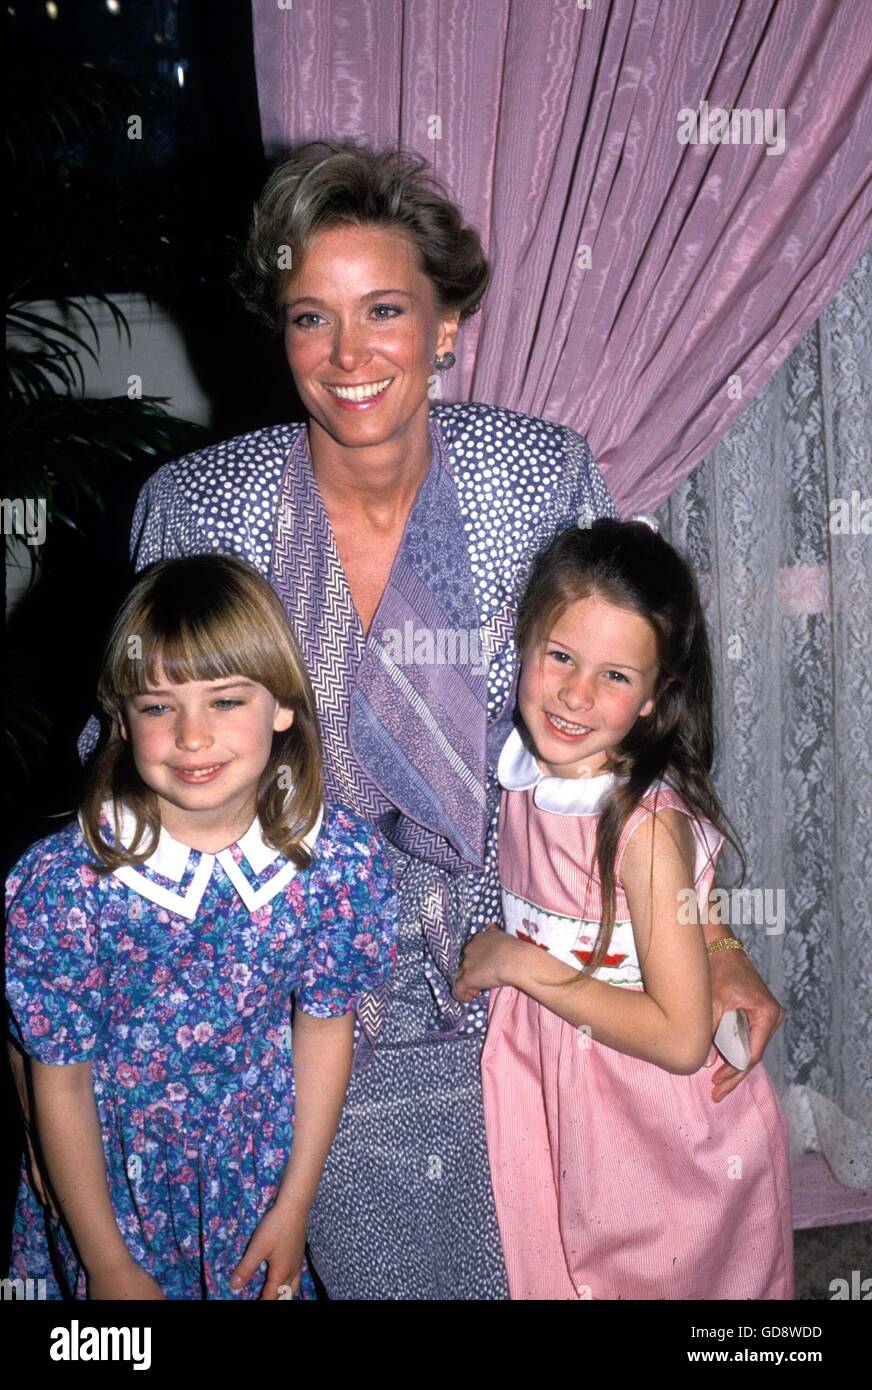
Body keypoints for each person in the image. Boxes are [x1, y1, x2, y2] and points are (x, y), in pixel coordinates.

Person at [73, 140, 785, 1299]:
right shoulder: (201, 506)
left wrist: (711, 941)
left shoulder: (534, 472)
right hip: (305, 996)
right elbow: (137, 768)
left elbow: (622, 732)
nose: (349, 356)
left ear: (446, 323)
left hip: (517, 975)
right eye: (311, 319)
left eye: (386, 310)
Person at [5, 554, 397, 1300]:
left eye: (225, 701)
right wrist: (106, 1262)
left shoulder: (334, 866)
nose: (191, 735)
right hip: (112, 1195)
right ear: (121, 718)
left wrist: (296, 1202)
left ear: (282, 705)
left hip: (259, 1187)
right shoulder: (68, 887)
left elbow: (323, 1030)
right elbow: (61, 1080)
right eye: (158, 706)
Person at [455, 519, 794, 1299]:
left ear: (653, 699)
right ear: (524, 644)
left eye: (615, 676)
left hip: (646, 1108)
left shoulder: (642, 830)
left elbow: (679, 1038)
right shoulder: (528, 770)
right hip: (556, 1075)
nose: (575, 694)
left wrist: (520, 964)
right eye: (561, 656)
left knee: (648, 1275)